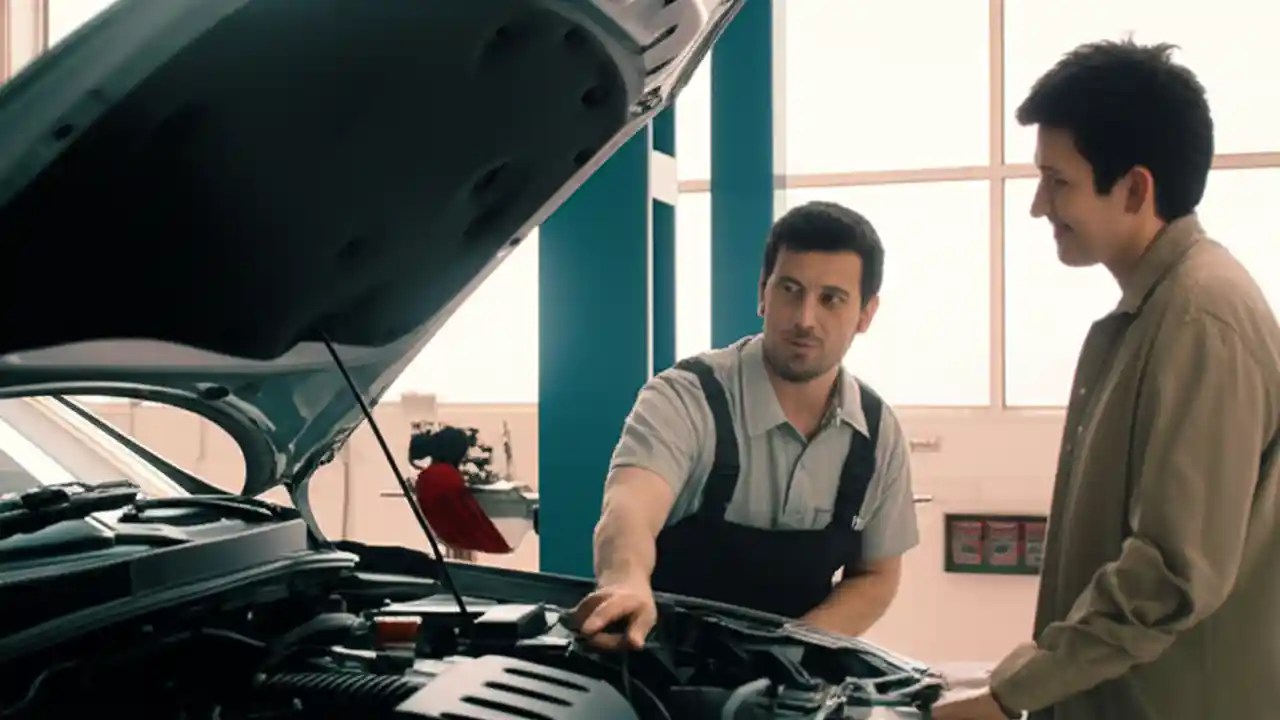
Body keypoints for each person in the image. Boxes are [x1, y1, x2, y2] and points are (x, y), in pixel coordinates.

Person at [933, 40, 1280, 720]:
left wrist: (1009, 696)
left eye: (1057, 181)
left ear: (1136, 188)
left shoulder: (1201, 319)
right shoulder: (1150, 315)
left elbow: (1170, 574)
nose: (1037, 206)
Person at [568, 200, 920, 651]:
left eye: (831, 299)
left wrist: (792, 651)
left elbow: (876, 574)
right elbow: (629, 510)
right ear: (762, 292)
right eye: (790, 289)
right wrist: (625, 580)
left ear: (866, 313)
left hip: (787, 692)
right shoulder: (685, 398)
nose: (804, 318)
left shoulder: (877, 435)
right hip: (652, 674)